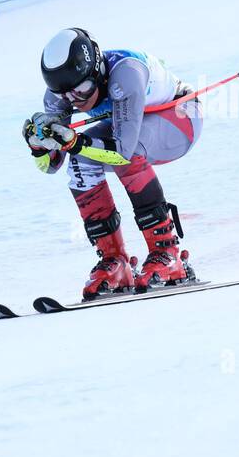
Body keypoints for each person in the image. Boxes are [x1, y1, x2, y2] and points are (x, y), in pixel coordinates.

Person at [23, 28, 203, 300]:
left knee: (126, 156)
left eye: (82, 89)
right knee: (80, 162)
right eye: (66, 97)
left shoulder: (126, 74)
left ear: (97, 72)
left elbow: (121, 151)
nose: (77, 101)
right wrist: (39, 146)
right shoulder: (58, 95)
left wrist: (74, 141)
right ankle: (114, 261)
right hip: (135, 125)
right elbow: (52, 165)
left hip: (180, 117)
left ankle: (167, 254)